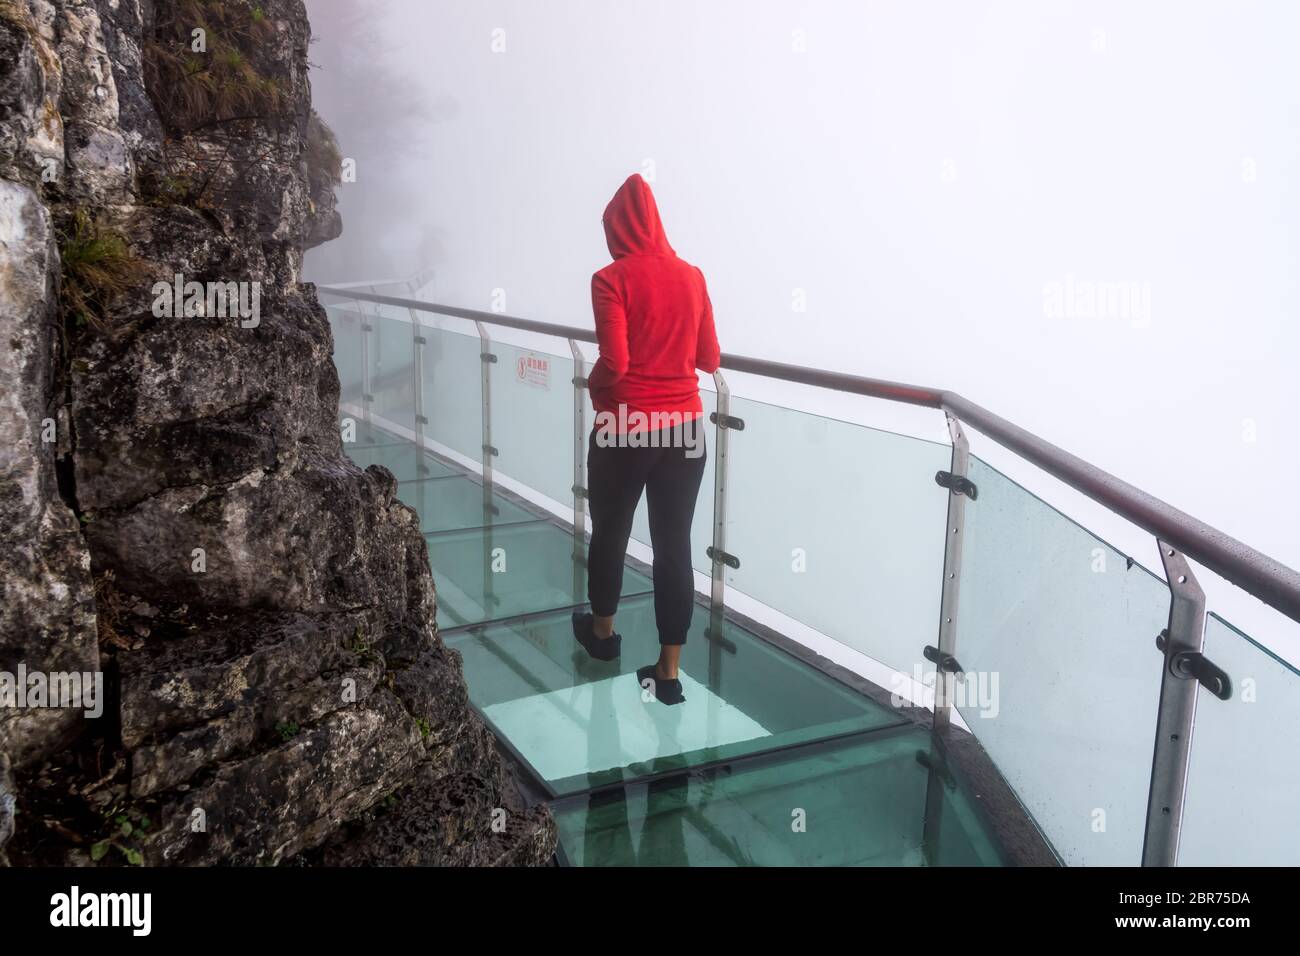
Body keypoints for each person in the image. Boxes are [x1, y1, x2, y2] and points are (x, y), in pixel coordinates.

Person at [571, 173, 721, 706]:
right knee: (674, 548)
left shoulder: (610, 279)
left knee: (612, 531)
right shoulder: (692, 276)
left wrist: (593, 384)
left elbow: (616, 362)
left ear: (617, 227)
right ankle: (669, 673)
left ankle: (604, 635)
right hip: (685, 430)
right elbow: (709, 360)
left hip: (624, 429)